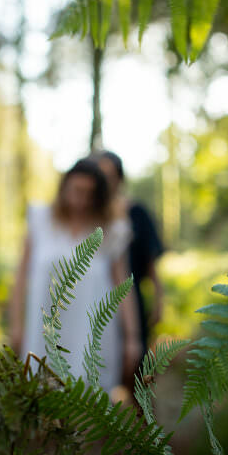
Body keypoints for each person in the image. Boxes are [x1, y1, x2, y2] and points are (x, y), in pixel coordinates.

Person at [9, 158, 142, 395]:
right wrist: (16, 324)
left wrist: (132, 337)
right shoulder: (40, 220)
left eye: (90, 194)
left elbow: (123, 285)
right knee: (43, 398)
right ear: (64, 188)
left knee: (90, 402)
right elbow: (20, 277)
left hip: (92, 337)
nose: (81, 199)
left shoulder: (111, 231)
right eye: (77, 190)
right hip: (43, 334)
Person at [94, 151, 165, 383]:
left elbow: (151, 262)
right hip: (94, 305)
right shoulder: (87, 215)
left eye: (110, 176)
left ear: (120, 179)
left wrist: (159, 301)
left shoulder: (137, 213)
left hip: (131, 301)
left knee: (138, 375)